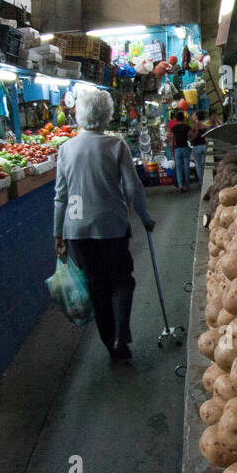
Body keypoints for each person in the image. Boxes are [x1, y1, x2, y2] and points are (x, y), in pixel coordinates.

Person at [53, 89, 155, 362]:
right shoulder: (116, 145)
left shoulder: (65, 149)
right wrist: (145, 218)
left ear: (79, 114)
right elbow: (133, 188)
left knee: (97, 288)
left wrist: (57, 233)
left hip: (77, 232)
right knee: (122, 281)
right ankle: (122, 333)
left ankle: (111, 346)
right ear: (107, 115)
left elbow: (60, 197)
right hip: (111, 227)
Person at [168, 109, 192, 193]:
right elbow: (190, 136)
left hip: (177, 149)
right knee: (186, 167)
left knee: (178, 168)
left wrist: (171, 152)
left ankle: (180, 185)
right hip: (185, 148)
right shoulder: (187, 127)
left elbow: (171, 141)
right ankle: (187, 185)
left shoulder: (173, 129)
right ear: (183, 118)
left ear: (176, 119)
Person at [191, 110, 209, 188]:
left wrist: (191, 138)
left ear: (196, 117)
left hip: (196, 147)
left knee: (198, 165)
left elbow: (193, 137)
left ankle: (201, 181)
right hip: (204, 146)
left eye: (194, 115)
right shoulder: (204, 125)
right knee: (204, 165)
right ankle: (206, 180)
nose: (192, 116)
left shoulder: (194, 126)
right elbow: (207, 136)